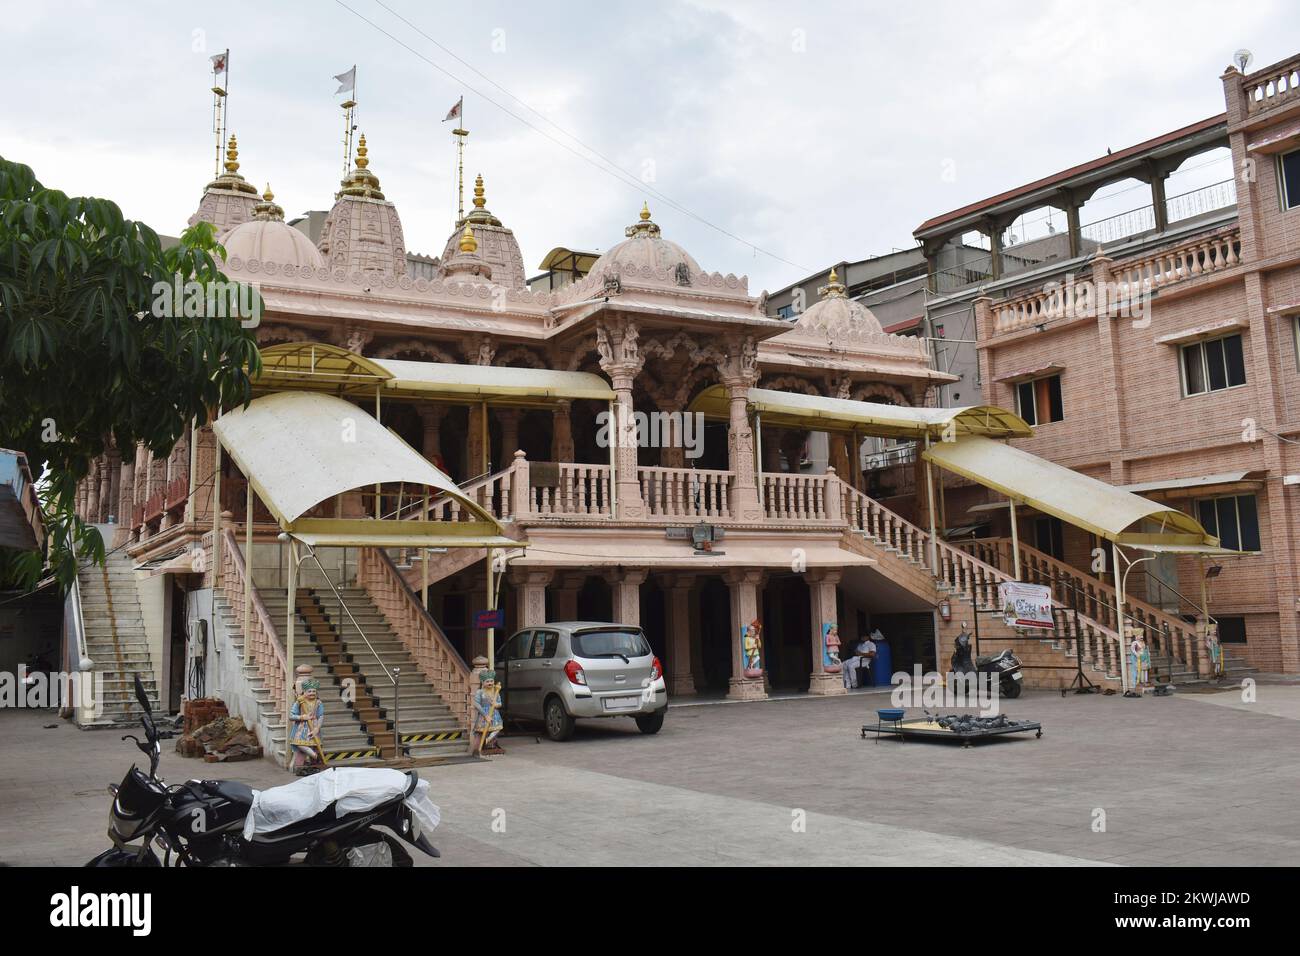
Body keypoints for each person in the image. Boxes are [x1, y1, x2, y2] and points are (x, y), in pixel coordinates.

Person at [289, 678, 325, 776]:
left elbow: (321, 715)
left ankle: (314, 764)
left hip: (314, 727)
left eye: (314, 691)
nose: (312, 693)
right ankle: (315, 756)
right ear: (304, 692)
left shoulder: (318, 703)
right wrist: (302, 717)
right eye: (309, 691)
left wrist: (317, 728)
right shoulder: (299, 702)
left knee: (314, 746)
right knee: (299, 744)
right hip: (301, 729)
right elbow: (291, 716)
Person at [472, 670, 504, 754]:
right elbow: (476, 704)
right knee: (482, 731)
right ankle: (479, 746)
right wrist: (485, 715)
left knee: (498, 728)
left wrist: (496, 704)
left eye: (491, 681)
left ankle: (488, 741)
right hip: (484, 715)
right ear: (483, 682)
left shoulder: (495, 691)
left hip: (495, 714)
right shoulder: (480, 692)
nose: (490, 683)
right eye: (487, 681)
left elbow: (500, 703)